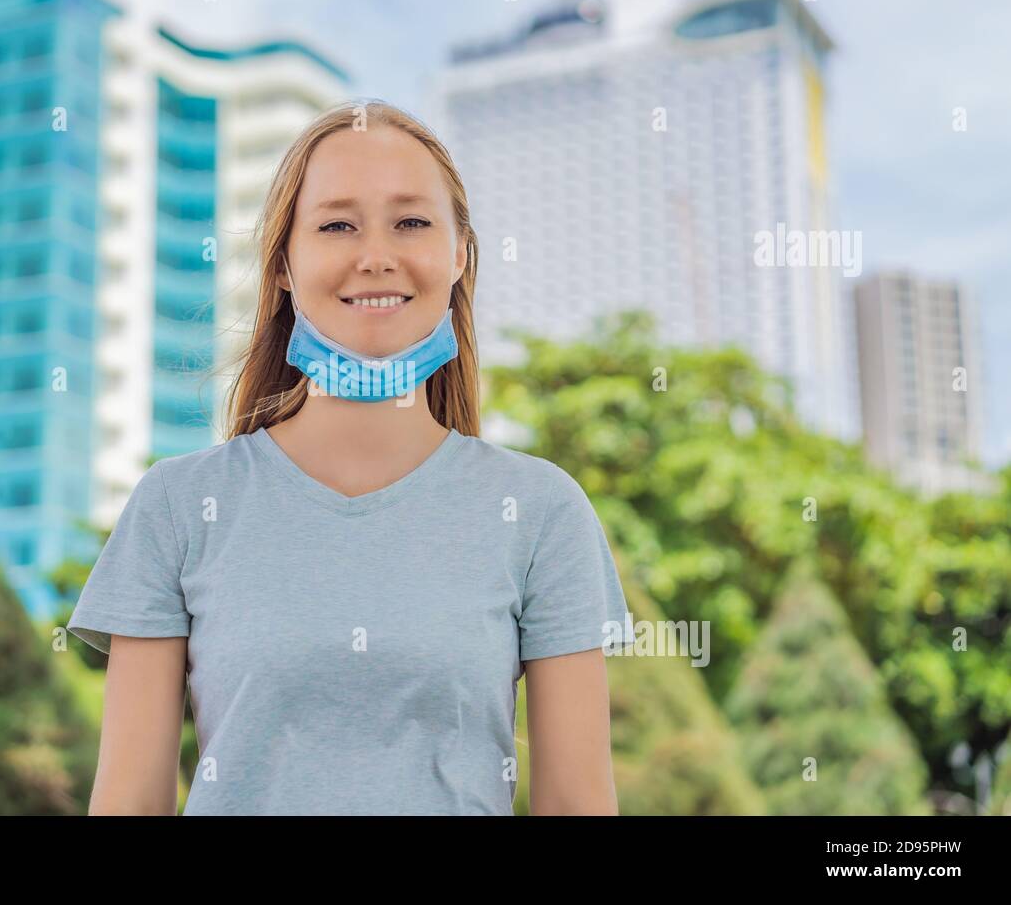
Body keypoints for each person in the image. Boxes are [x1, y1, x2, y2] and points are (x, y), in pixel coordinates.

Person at [67, 99, 634, 815]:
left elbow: (579, 804)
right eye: (337, 224)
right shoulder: (177, 505)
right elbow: (128, 802)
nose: (375, 255)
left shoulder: (541, 511)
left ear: (460, 254)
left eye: (412, 222)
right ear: (282, 265)